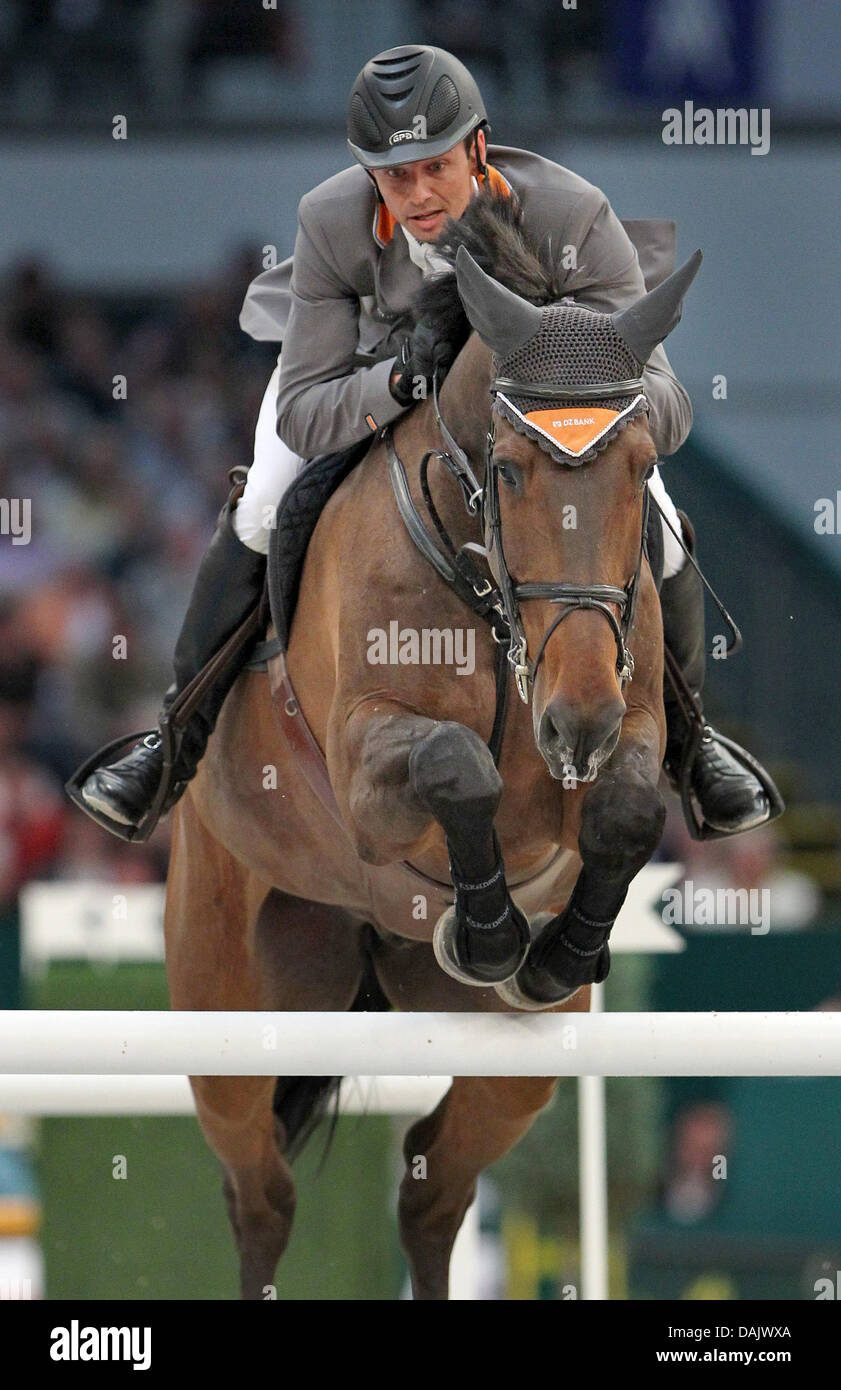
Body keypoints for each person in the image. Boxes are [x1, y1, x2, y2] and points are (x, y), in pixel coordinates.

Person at [73, 44, 773, 840]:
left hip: (548, 410)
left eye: (434, 167)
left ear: (477, 146)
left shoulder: (571, 216)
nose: (417, 195)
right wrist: (400, 387)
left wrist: (587, 392)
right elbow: (304, 408)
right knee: (263, 502)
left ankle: (693, 745)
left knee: (662, 520)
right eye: (393, 176)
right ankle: (173, 744)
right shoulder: (330, 222)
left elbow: (670, 405)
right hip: (368, 379)